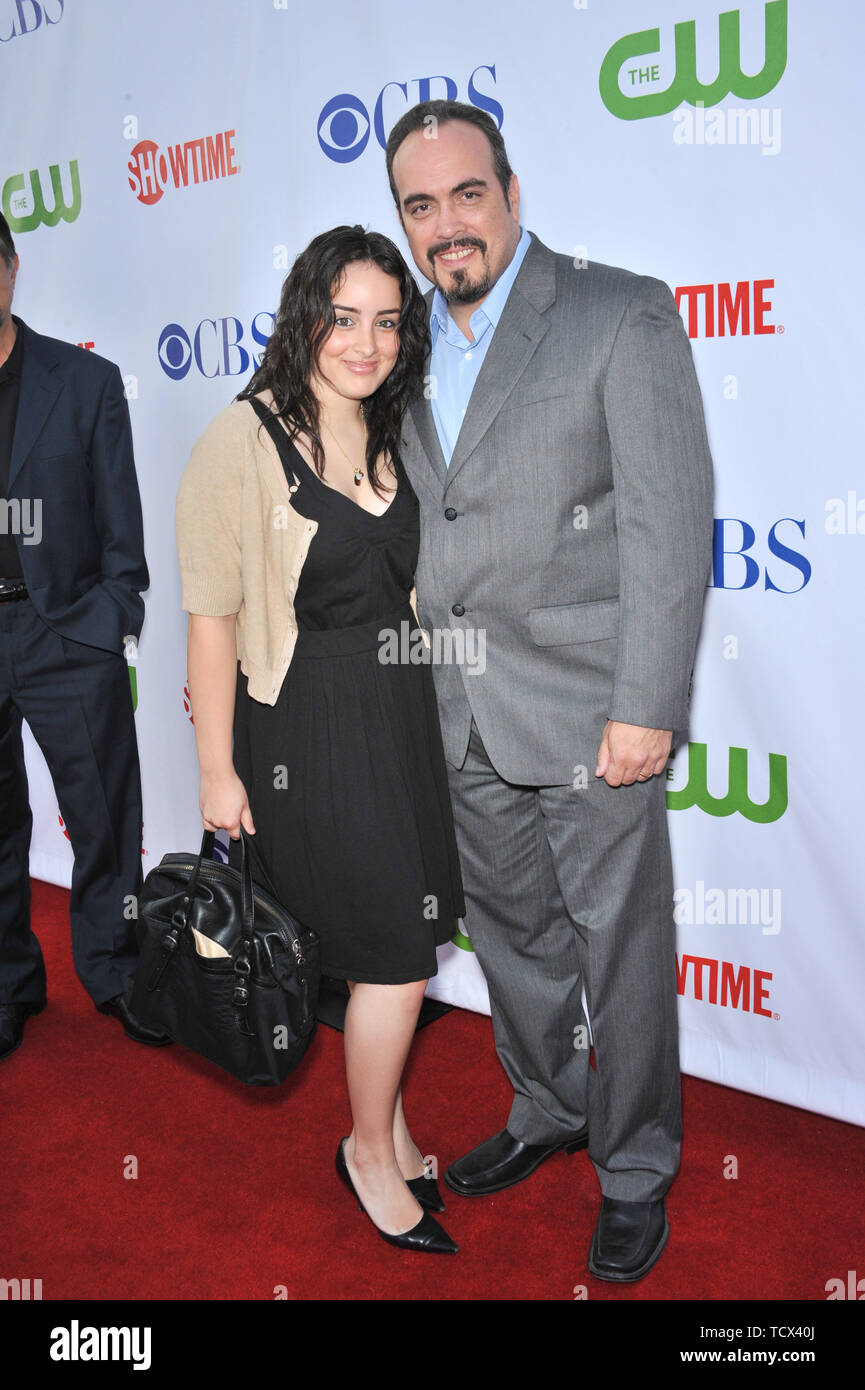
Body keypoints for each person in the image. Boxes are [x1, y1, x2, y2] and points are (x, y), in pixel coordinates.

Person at [385, 101, 714, 1281]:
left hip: (589, 709)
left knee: (617, 947)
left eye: (467, 194)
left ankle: (633, 1165)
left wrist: (647, 702)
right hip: (456, 707)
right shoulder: (397, 342)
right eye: (420, 206)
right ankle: (546, 1105)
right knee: (515, 937)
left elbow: (669, 526)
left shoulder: (616, 311)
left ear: (512, 194)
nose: (447, 224)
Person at [175, 225, 464, 1255]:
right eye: (343, 318)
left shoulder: (395, 427)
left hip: (398, 714)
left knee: (402, 941)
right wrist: (217, 772)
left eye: (385, 322)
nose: (364, 342)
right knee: (394, 960)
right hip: (307, 726)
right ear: (304, 315)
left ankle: (392, 1126)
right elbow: (211, 618)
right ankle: (367, 1152)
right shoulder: (241, 439)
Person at [0, 213, 167, 1060]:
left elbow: (120, 528)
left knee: (102, 814)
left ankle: (115, 968)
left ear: (11, 268)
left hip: (65, 630)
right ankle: (8, 986)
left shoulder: (84, 382)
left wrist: (112, 620)